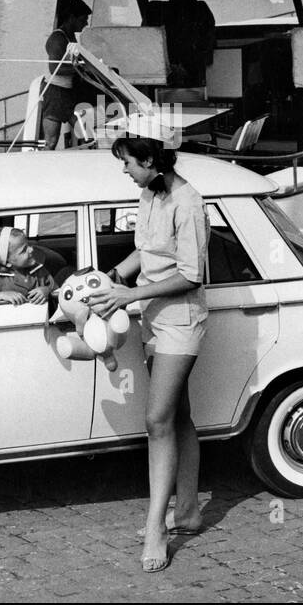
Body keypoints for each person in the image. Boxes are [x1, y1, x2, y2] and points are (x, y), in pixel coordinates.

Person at [89, 135, 209, 572]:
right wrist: (110, 278)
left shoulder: (188, 203)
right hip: (153, 318)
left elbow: (191, 277)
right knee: (178, 416)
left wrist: (128, 296)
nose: (125, 171)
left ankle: (157, 525)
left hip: (181, 322)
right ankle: (190, 511)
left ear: (151, 161)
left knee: (156, 420)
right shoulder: (149, 194)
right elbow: (147, 250)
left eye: (128, 164)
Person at [41, 0, 93, 149]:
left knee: (87, 136)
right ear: (72, 18)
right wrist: (83, 69)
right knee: (50, 141)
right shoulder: (58, 38)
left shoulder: (71, 37)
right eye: (83, 19)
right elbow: (55, 69)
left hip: (70, 94)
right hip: (55, 93)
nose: (86, 24)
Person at [0, 226, 56, 306]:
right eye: (23, 250)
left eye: (28, 245)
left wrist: (47, 290)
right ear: (7, 262)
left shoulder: (39, 270)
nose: (31, 249)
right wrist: (0, 295)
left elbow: (58, 292)